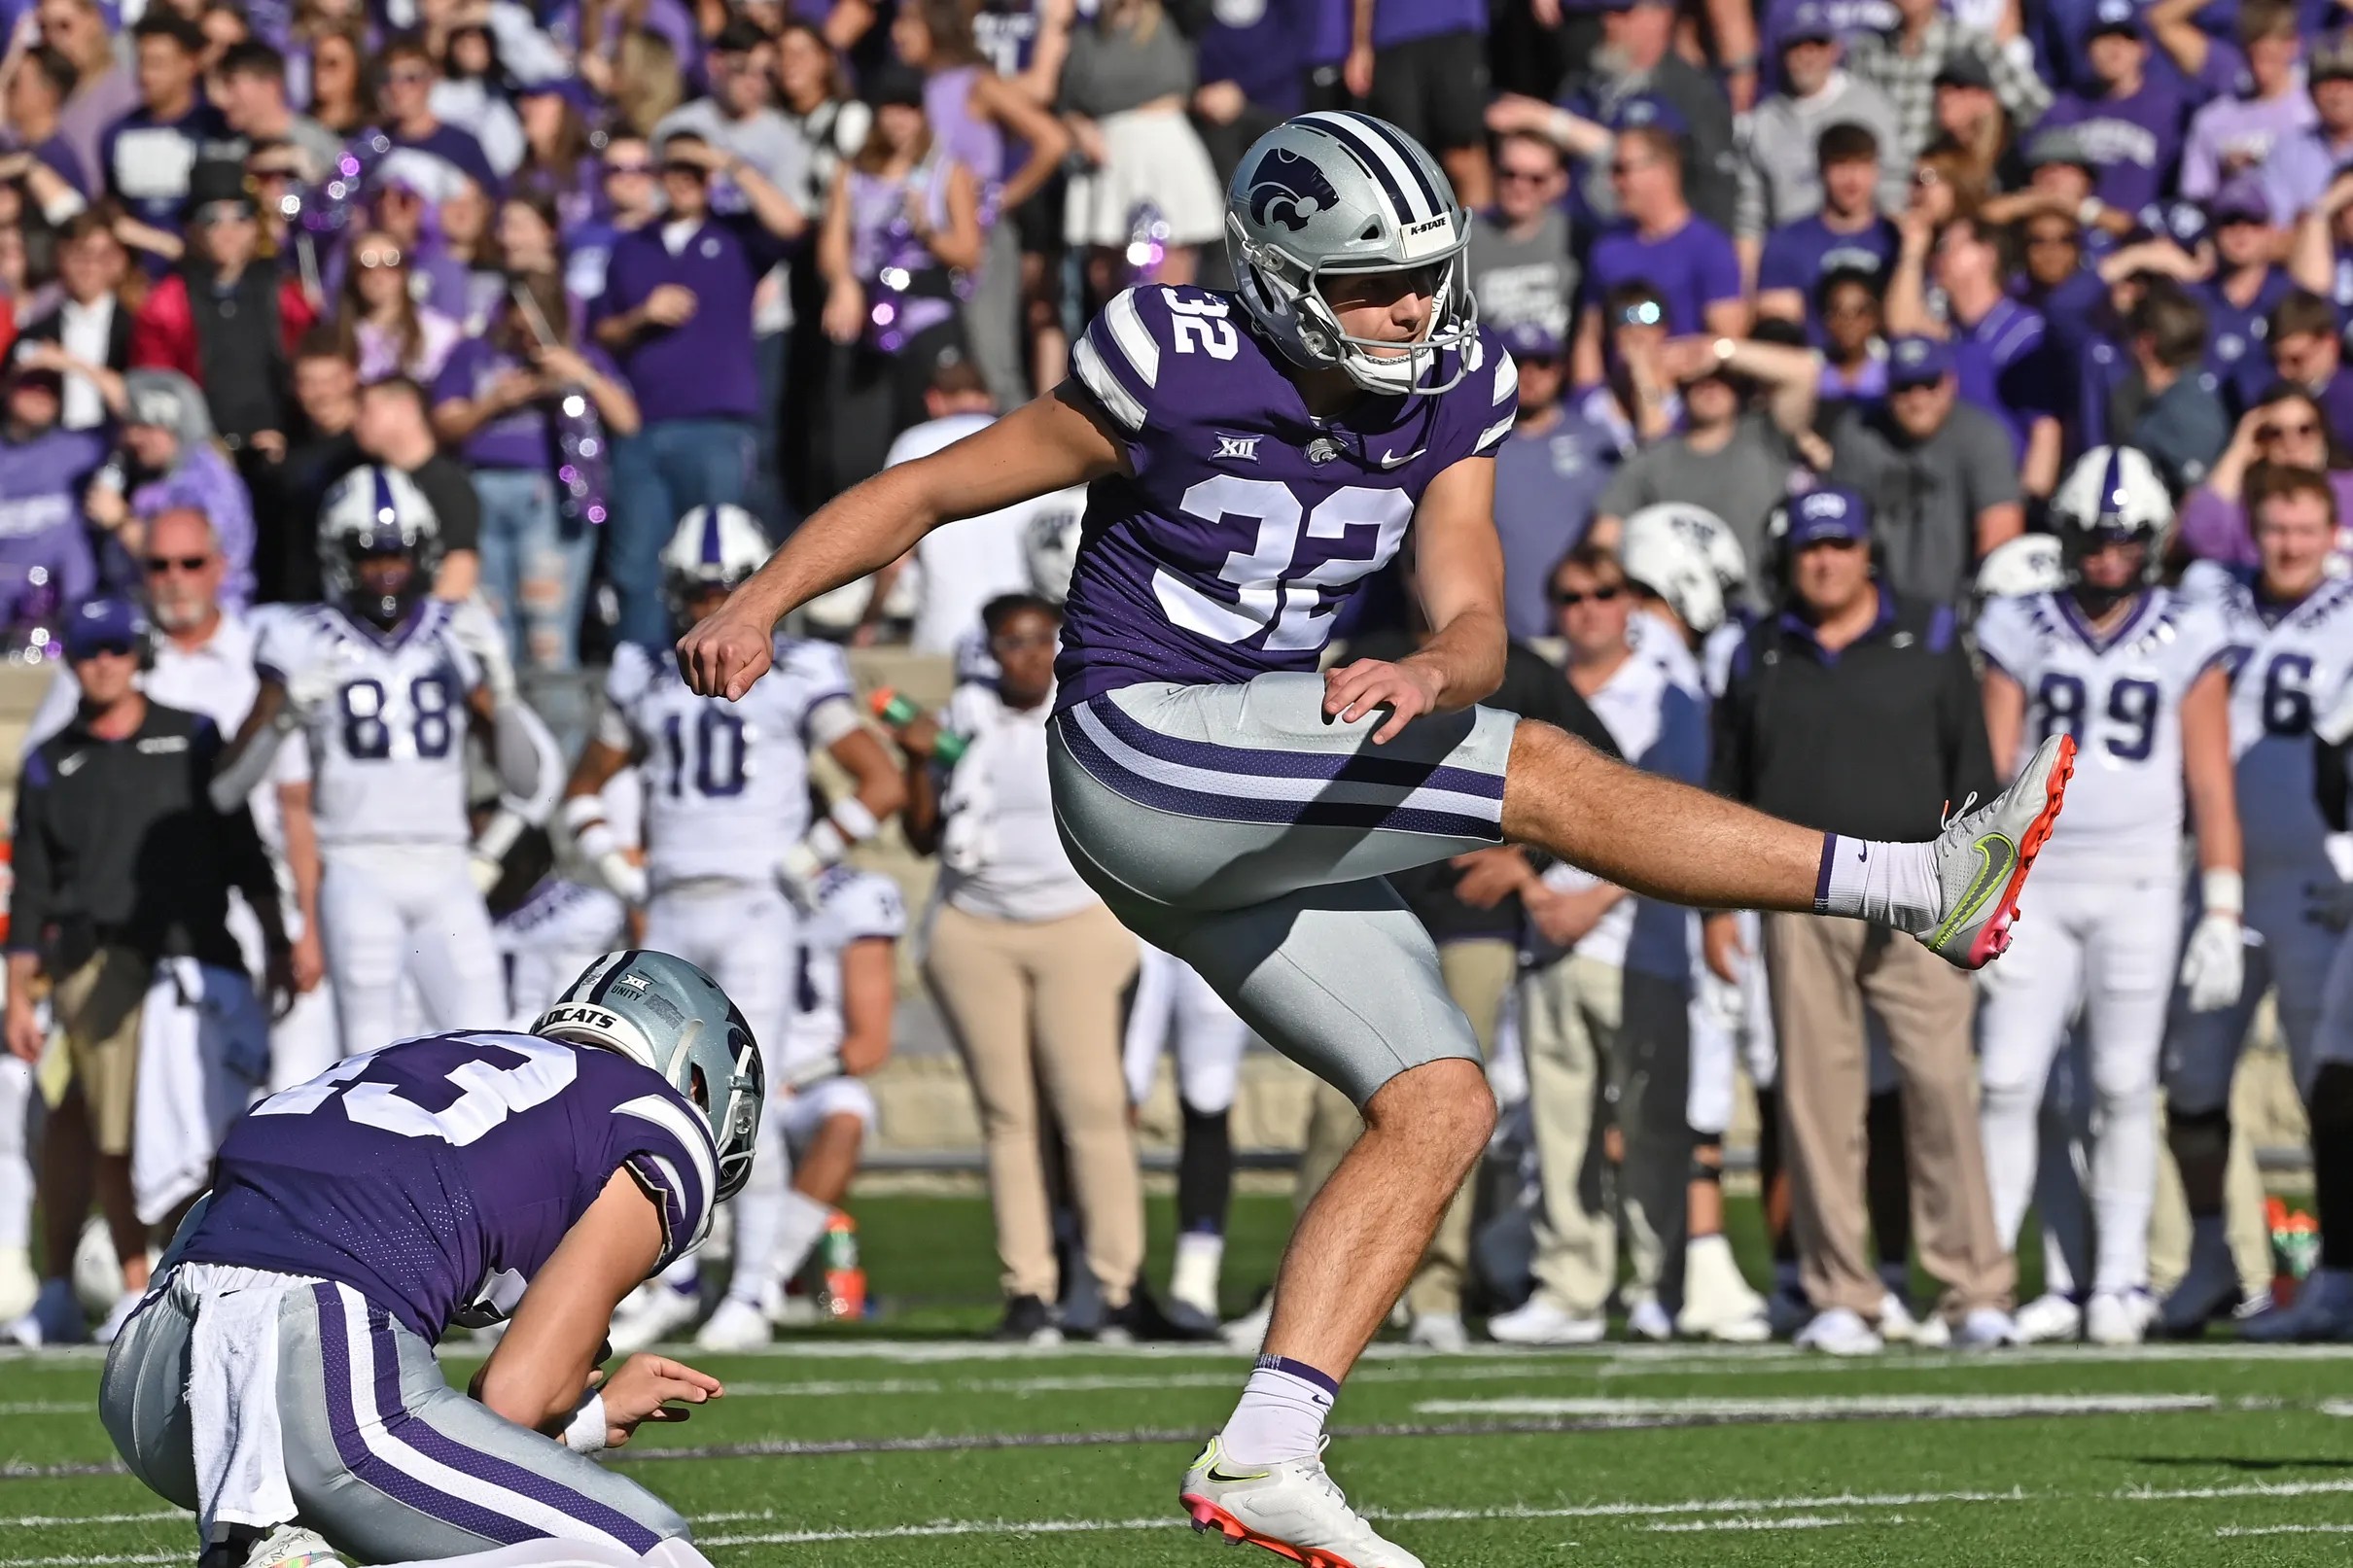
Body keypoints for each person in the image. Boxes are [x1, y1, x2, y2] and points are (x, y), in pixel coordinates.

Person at [675, 112, 2077, 1565]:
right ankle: (1917, 882)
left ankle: (1272, 1445)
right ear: (1282, 277)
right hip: (1140, 747)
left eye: (1425, 272)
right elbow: (929, 487)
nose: (1412, 307)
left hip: (1255, 786)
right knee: (1534, 774)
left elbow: (1472, 609)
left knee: (1443, 1101)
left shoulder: (1458, 378)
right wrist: (763, 597)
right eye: (1371, 285)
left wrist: (1432, 671)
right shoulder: (1171, 354)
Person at [99, 950, 758, 1568]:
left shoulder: (450, 1057)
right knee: (653, 1553)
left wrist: (584, 1419)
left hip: (154, 1376)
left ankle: (266, 1545)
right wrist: (572, 1412)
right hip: (316, 1356)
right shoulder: (655, 1119)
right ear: (698, 1077)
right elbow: (511, 1395)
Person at [559, 504, 903, 1351]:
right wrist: (620, 868)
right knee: (650, 1098)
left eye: (725, 586)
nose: (712, 600)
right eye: (698, 588)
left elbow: (879, 780)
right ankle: (670, 1274)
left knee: (752, 1093)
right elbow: (581, 790)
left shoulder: (799, 668)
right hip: (675, 901)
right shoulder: (643, 672)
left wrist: (807, 855)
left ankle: (751, 1289)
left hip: (756, 904)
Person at [1706, 487, 2015, 1354]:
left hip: (1924, 890)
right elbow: (1727, 782)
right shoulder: (1757, 648)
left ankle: (1974, 1287)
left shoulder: (1936, 634)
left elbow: (1975, 770)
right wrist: (1717, 904)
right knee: (1816, 1096)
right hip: (1798, 890)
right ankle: (1843, 1289)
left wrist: (1978, 891)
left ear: (1867, 550)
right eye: (1811, 547)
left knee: (1943, 1087)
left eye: (1841, 544)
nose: (1826, 560)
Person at [1973, 445, 2243, 1347]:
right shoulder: (2021, 622)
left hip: (2140, 880)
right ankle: (2000, 1278)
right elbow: (1993, 770)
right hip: (2036, 882)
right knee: (2013, 1081)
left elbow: (2210, 780)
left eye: (2126, 536)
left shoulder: (2189, 628)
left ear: (2155, 538)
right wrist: (1974, 889)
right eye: (2093, 534)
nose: (2108, 552)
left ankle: (2120, 1279)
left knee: (2125, 1084)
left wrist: (2224, 901)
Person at [5, 596, 285, 1346]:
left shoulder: (191, 737)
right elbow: (31, 887)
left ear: (139, 655)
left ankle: (157, 1275)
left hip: (189, 960)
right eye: (90, 651)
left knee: (166, 1127)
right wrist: (16, 995)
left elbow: (243, 848)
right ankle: (105, 1282)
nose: (104, 664)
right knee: (95, 1119)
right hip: (92, 965)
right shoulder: (49, 760)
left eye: (117, 650)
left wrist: (279, 938)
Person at [207, 468, 550, 1062]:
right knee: (370, 1058)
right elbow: (225, 791)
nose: (386, 567)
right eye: (368, 553)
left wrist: (504, 690)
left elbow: (526, 781)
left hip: (446, 867)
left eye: (399, 551)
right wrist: (284, 717)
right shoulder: (298, 636)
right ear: (337, 555)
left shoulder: (457, 633)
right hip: (355, 867)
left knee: (490, 1053)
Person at [896, 592, 1147, 1343]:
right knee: (1009, 1116)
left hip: (1077, 921)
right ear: (991, 651)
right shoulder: (962, 723)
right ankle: (1028, 1288)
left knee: (1092, 1105)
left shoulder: (1089, 708)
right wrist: (916, 761)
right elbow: (920, 834)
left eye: (1042, 639)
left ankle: (1118, 1284)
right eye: (1012, 642)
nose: (1030, 656)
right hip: (977, 929)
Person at [1486, 537, 1704, 1346]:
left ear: (1630, 602)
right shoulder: (1534, 688)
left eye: (1604, 594)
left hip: (1640, 938)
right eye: (1572, 597)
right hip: (1549, 935)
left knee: (1652, 1125)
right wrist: (1535, 888)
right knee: (1559, 1126)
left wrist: (1595, 898)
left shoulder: (1665, 692)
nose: (1587, 611)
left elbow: (1681, 813)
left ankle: (1658, 1282)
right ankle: (1571, 1284)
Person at [2163, 467, 2353, 1340]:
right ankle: (2212, 1258)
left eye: (2304, 529)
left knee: (2332, 1085)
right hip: (2220, 880)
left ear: (2330, 529)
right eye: (2273, 528)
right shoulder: (2212, 601)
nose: (2288, 546)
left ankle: (2336, 1277)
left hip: (2321, 886)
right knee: (2191, 1077)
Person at [594, 131, 806, 651]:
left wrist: (729, 162)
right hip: (643, 425)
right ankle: (641, 675)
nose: (685, 180)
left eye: (695, 170)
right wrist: (643, 315)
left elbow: (793, 227)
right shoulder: (631, 245)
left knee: (725, 555)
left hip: (717, 424)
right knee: (637, 564)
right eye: (674, 169)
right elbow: (603, 331)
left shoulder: (736, 236)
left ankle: (736, 659)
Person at [696, 856, 905, 1349]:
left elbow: (868, 1044)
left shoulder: (854, 899)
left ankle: (765, 1278)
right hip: (731, 1076)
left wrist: (793, 1077)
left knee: (847, 1115)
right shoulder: (725, 891)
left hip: (809, 1082)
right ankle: (674, 1284)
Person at [431, 270, 641, 674]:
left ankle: (555, 732)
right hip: (480, 491)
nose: (525, 325)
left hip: (553, 496)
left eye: (538, 312)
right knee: (490, 631)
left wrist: (581, 375)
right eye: (517, 311)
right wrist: (494, 403)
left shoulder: (582, 355)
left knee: (548, 633)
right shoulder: (476, 353)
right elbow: (444, 425)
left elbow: (627, 421)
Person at [852, 360, 1085, 654]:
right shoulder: (1031, 440)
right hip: (1020, 636)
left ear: (933, 400)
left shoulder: (915, 444)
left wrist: (868, 623)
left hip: (943, 635)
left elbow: (894, 561)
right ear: (988, 398)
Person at [1826, 333, 2024, 607]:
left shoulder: (1983, 436)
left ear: (1951, 383)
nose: (1917, 400)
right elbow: (1840, 531)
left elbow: (2001, 534)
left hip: (1958, 608)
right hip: (1877, 610)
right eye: (1904, 387)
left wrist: (1977, 608)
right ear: (1886, 388)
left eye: (1929, 385)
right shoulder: (1858, 433)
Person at [1123, 943, 1250, 1329]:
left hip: (1217, 920)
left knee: (1208, 1099)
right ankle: (1101, 1279)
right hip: (1130, 924)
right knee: (1114, 1099)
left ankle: (1194, 1285)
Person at [1734, 3, 1903, 279]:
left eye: (1817, 45)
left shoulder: (1870, 106)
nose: (1807, 56)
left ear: (1835, 49)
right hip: (1791, 261)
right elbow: (1750, 217)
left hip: (1865, 253)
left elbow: (1894, 188)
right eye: (1797, 46)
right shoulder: (1765, 120)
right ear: (1781, 53)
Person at [1570, 123, 1745, 389]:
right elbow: (1590, 336)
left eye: (1622, 170)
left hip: (1686, 401)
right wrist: (1588, 401)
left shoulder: (1710, 248)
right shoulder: (1606, 249)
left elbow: (1728, 343)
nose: (1613, 182)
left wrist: (1659, 367)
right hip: (1617, 409)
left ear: (1664, 170)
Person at [1491, 320, 1616, 640]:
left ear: (1560, 370)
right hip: (1504, 636)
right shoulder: (1476, 446)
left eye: (1543, 363)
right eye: (1517, 362)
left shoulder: (1596, 440)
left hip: (1583, 633)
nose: (1530, 374)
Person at [97, 12, 227, 248]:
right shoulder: (116, 133)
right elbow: (113, 208)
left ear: (190, 64)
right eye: (142, 62)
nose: (145, 75)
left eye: (157, 64)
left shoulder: (215, 127)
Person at [1756, 122, 1900, 331]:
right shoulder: (1787, 242)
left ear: (1876, 171)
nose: (1852, 180)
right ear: (1822, 170)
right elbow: (1779, 329)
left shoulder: (1896, 239)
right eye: (1841, 166)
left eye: (1861, 166)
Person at [354, 375, 484, 599]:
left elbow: (460, 569)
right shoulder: (366, 481)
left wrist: (421, 631)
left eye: (366, 409)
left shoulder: (447, 486)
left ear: (407, 408)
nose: (355, 420)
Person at [13, 212, 131, 434]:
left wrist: (69, 363)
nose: (89, 267)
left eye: (99, 256)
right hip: (53, 447)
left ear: (117, 261)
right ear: (60, 258)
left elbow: (134, 400)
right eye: (78, 255)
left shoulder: (135, 329)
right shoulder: (37, 329)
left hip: (117, 445)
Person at [1468, 132, 1574, 344]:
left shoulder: (1575, 236)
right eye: (1509, 174)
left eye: (1536, 179)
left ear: (1559, 181)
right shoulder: (1463, 237)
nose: (1520, 186)